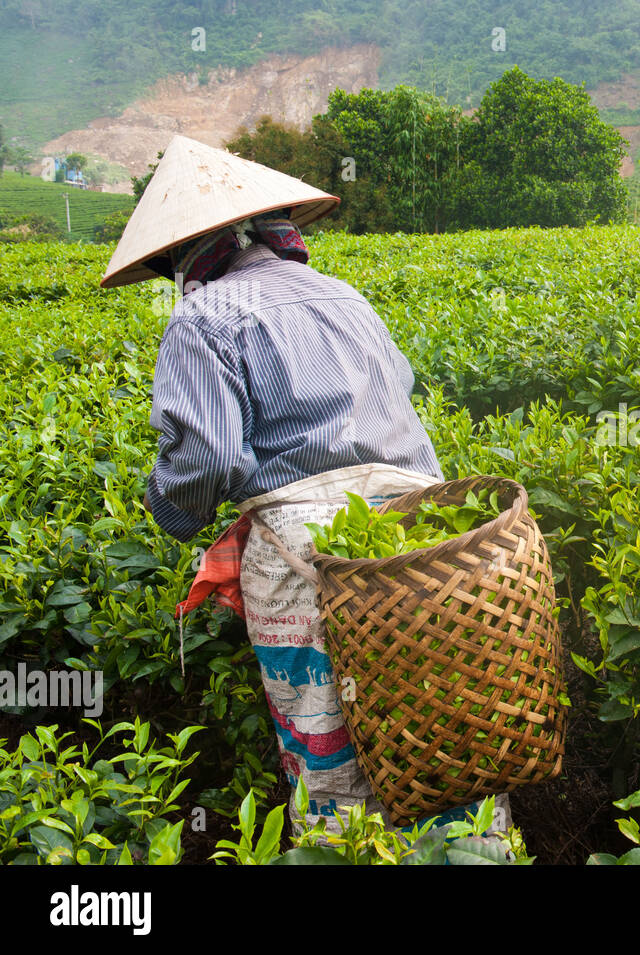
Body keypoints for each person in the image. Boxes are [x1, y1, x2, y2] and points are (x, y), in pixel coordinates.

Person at [101, 135, 509, 841]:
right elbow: (405, 414)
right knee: (441, 720)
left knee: (333, 751)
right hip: (419, 541)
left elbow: (210, 461)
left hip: (306, 558)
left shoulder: (203, 316)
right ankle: (475, 853)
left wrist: (165, 507)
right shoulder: (343, 295)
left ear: (186, 255)